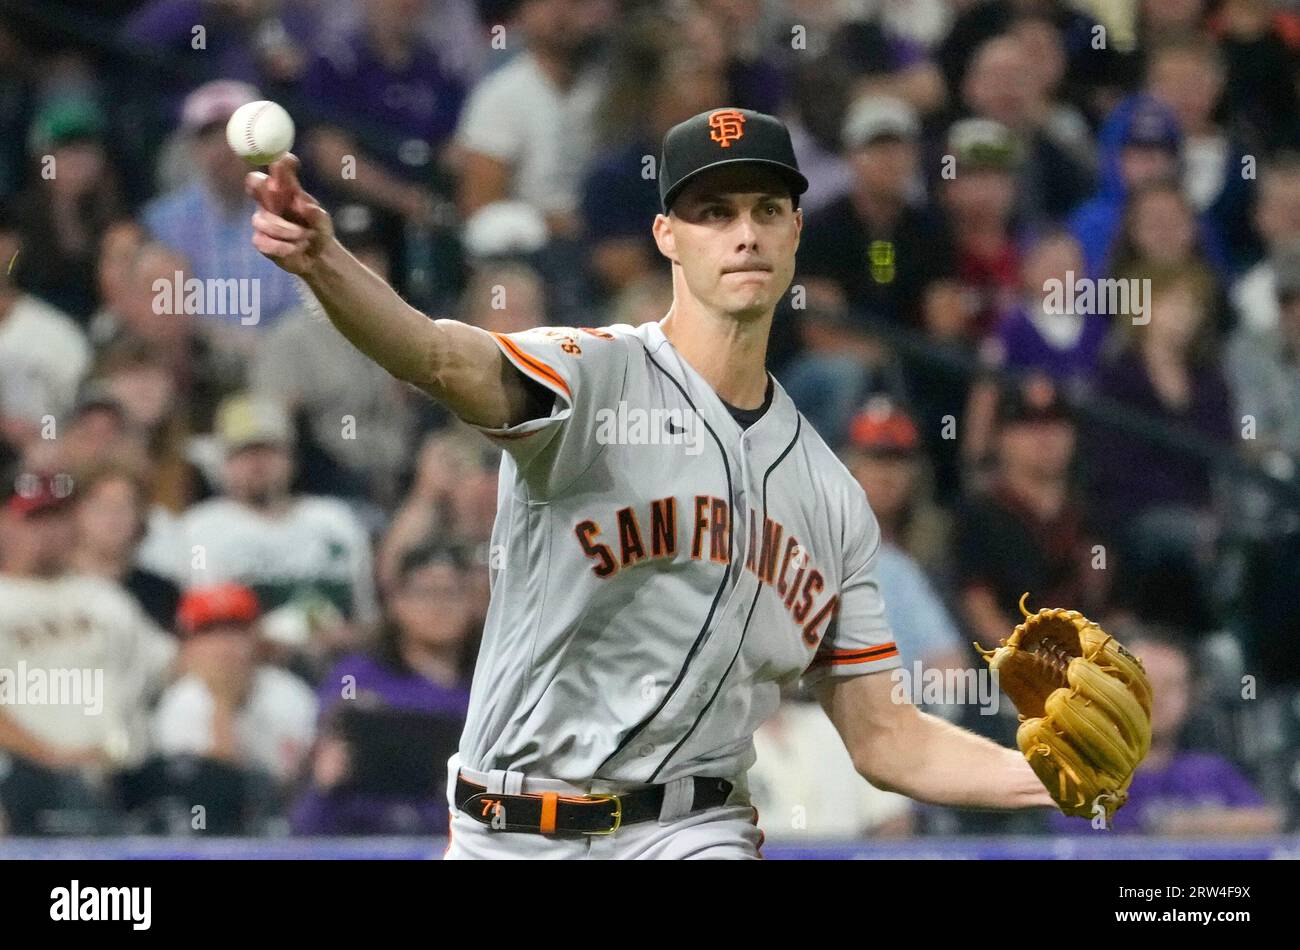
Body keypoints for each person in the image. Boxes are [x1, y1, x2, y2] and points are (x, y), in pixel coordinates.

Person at [245, 106, 1056, 861]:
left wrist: (1048, 772)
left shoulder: (832, 498)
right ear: (668, 236)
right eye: (715, 213)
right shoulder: (597, 377)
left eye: (767, 210)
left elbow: (888, 739)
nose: (745, 233)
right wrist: (326, 264)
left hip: (689, 831)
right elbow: (439, 356)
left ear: (797, 231)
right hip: (509, 830)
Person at [0, 473, 176, 835]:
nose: (47, 531)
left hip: (127, 776)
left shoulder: (105, 596)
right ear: (5, 525)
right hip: (29, 777)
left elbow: (167, 665)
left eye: (57, 518)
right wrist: (53, 758)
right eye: (34, 519)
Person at [290, 542, 477, 836]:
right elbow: (324, 763)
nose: (440, 606)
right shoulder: (357, 676)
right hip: (356, 830)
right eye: (425, 593)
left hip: (454, 831)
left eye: (452, 593)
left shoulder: (488, 684)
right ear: (396, 603)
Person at [179, 393, 379, 665]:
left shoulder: (336, 519)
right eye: (245, 453)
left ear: (291, 458)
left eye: (269, 450)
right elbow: (198, 625)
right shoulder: (202, 527)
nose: (258, 464)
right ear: (224, 463)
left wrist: (344, 638)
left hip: (342, 668)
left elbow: (369, 620)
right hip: (251, 673)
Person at [1050, 627, 1284, 835]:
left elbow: (1269, 822)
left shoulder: (1212, 771)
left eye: (1171, 685)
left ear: (1192, 696)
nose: (1156, 697)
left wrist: (1183, 826)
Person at [153, 583, 317, 789]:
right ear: (188, 645)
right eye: (209, 632)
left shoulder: (290, 693)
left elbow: (307, 781)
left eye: (235, 630)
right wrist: (222, 708)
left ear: (256, 637)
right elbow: (209, 791)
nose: (224, 645)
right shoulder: (179, 703)